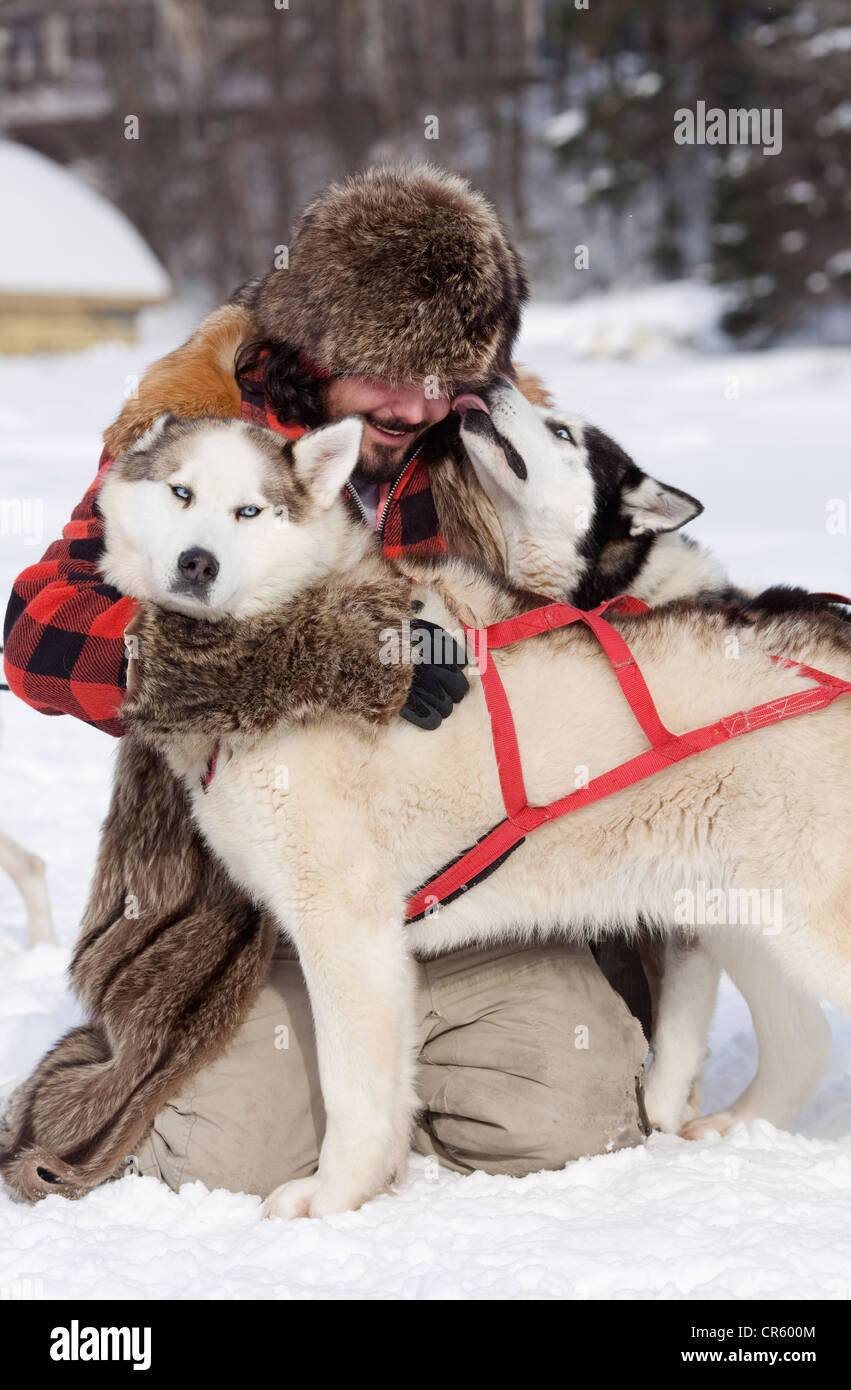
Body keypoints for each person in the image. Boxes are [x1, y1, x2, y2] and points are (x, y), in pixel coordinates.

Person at [3, 164, 649, 1199]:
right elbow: (37, 631)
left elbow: (619, 604)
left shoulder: (491, 443)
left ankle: (389, 1055)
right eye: (391, 369)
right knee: (225, 1155)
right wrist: (322, 654)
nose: (418, 403)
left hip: (463, 876)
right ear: (314, 337)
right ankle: (245, 1062)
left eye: (448, 373)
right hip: (244, 897)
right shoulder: (198, 429)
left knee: (570, 1105)